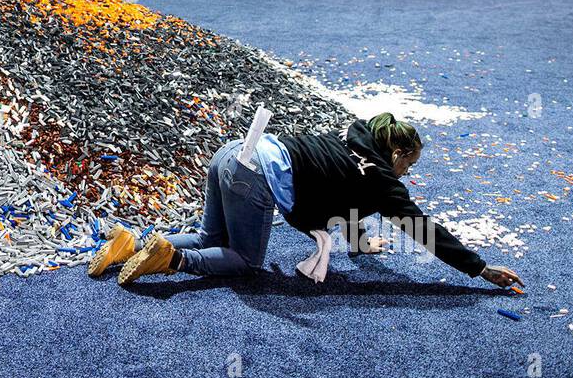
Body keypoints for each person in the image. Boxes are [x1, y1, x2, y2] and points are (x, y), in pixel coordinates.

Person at [88, 112, 523, 291]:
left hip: (234, 150)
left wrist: (360, 243)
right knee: (244, 260)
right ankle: (171, 261)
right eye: (410, 164)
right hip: (252, 176)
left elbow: (346, 194)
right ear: (396, 154)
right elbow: (424, 230)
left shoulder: (354, 138)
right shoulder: (385, 183)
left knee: (208, 234)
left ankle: (133, 242)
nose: (408, 174)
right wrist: (479, 267)